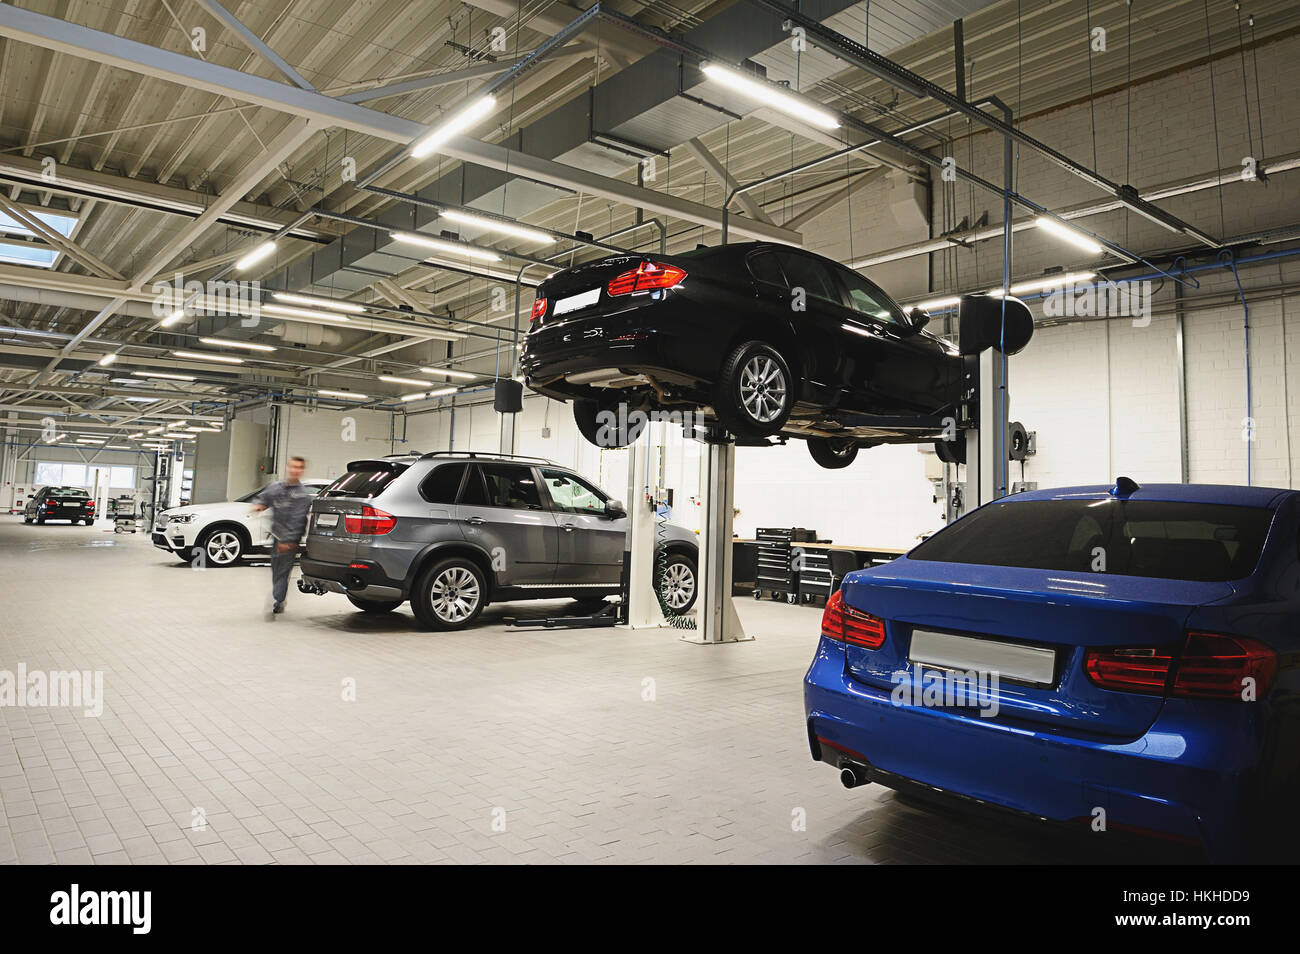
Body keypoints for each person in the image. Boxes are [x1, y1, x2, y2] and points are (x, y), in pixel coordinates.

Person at [249, 455, 313, 618]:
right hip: (276, 537)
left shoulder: (303, 496)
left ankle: (277, 601)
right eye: (293, 466)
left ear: (302, 471)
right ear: (288, 467)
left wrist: (289, 541)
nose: (295, 470)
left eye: (299, 468)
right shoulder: (275, 487)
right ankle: (279, 598)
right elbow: (264, 499)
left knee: (283, 572)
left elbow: (298, 520)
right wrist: (258, 506)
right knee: (276, 571)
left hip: (289, 541)